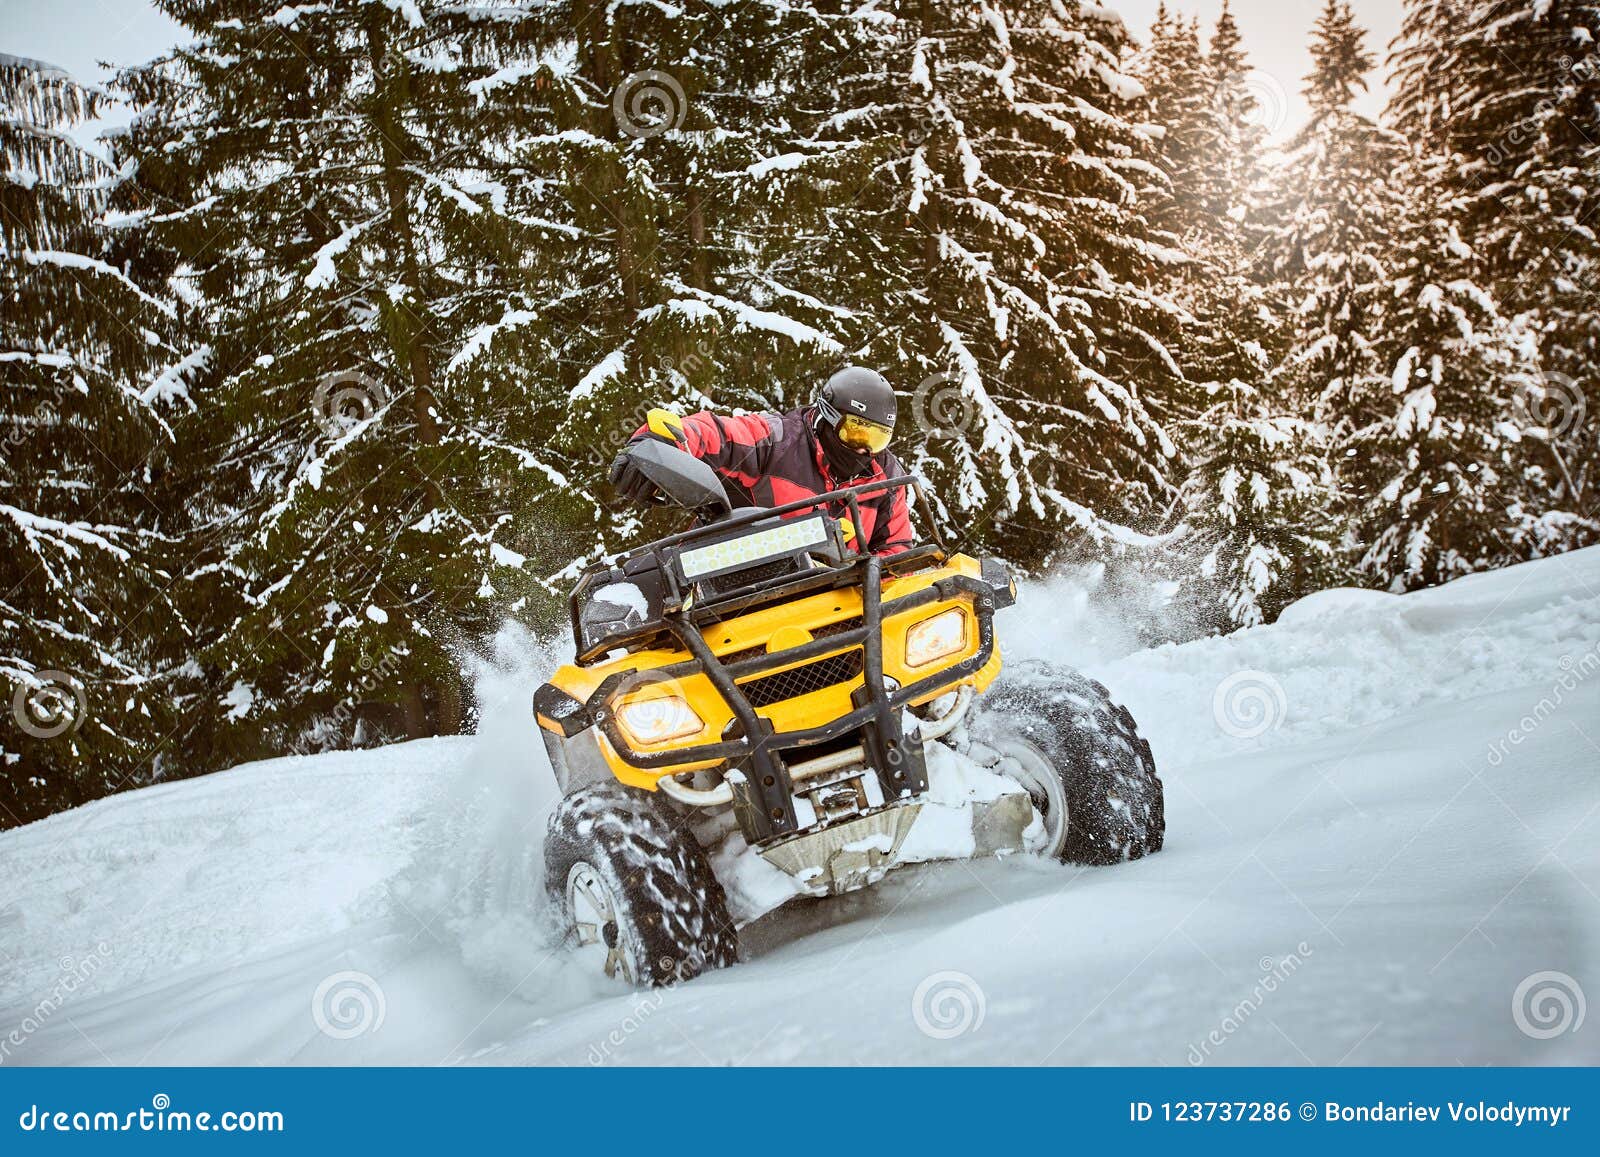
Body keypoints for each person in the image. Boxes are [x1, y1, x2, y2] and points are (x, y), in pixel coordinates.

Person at [608, 366, 913, 556]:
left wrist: (866, 571)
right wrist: (661, 443)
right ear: (827, 419)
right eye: (855, 433)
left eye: (877, 439)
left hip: (839, 601)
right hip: (738, 584)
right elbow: (718, 433)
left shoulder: (886, 478)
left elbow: (896, 548)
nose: (863, 449)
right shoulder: (776, 439)